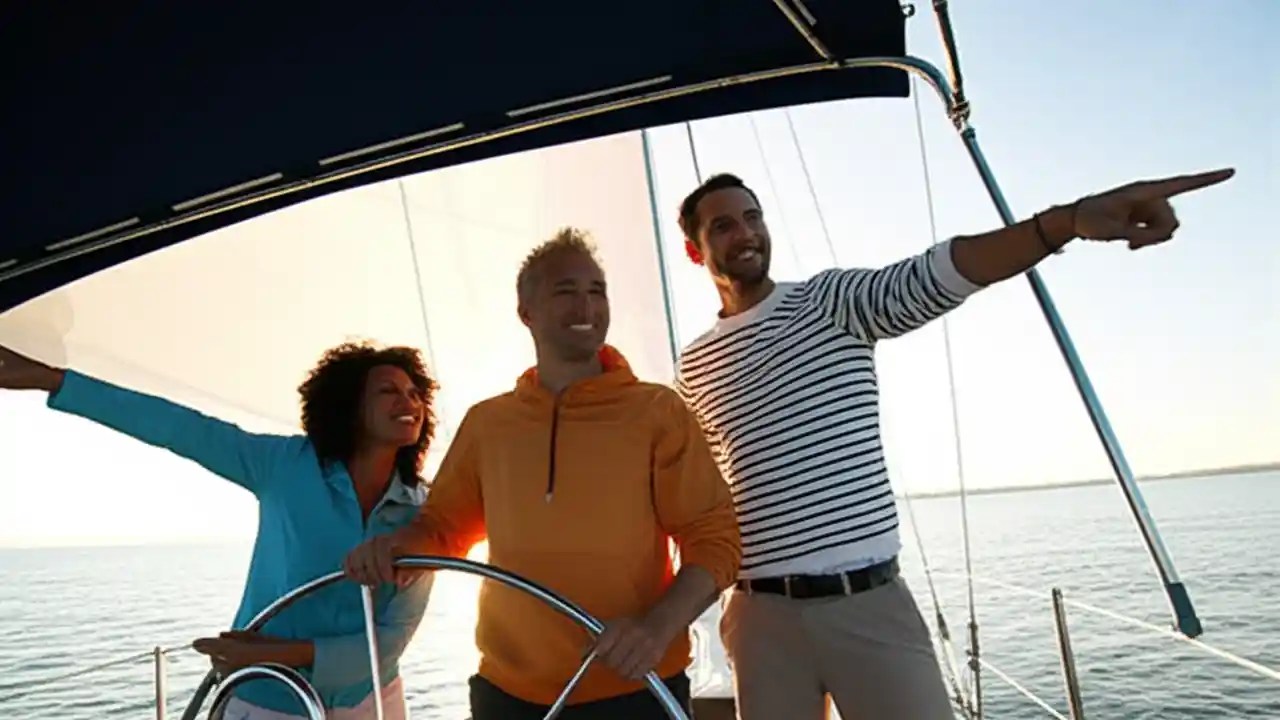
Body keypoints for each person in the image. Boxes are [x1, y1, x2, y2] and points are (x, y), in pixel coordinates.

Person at [672, 168, 1234, 719]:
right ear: (696, 251)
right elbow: (699, 493)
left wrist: (1067, 222)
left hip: (866, 605)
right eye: (724, 226)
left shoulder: (832, 302)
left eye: (753, 217)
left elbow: (944, 269)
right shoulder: (693, 368)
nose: (746, 233)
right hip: (759, 619)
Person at [342, 228, 741, 720]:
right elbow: (443, 528)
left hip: (636, 686)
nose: (586, 306)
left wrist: (656, 628)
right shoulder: (488, 423)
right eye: (566, 291)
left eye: (597, 291)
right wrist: (395, 549)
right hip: (506, 694)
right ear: (526, 312)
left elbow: (715, 538)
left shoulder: (657, 412)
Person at [0, 340, 440, 719]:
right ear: (348, 406)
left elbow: (391, 639)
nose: (410, 403)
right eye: (388, 391)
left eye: (415, 393)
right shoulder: (283, 466)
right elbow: (179, 427)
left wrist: (278, 654)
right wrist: (55, 381)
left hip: (371, 703)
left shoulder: (425, 512)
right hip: (268, 699)